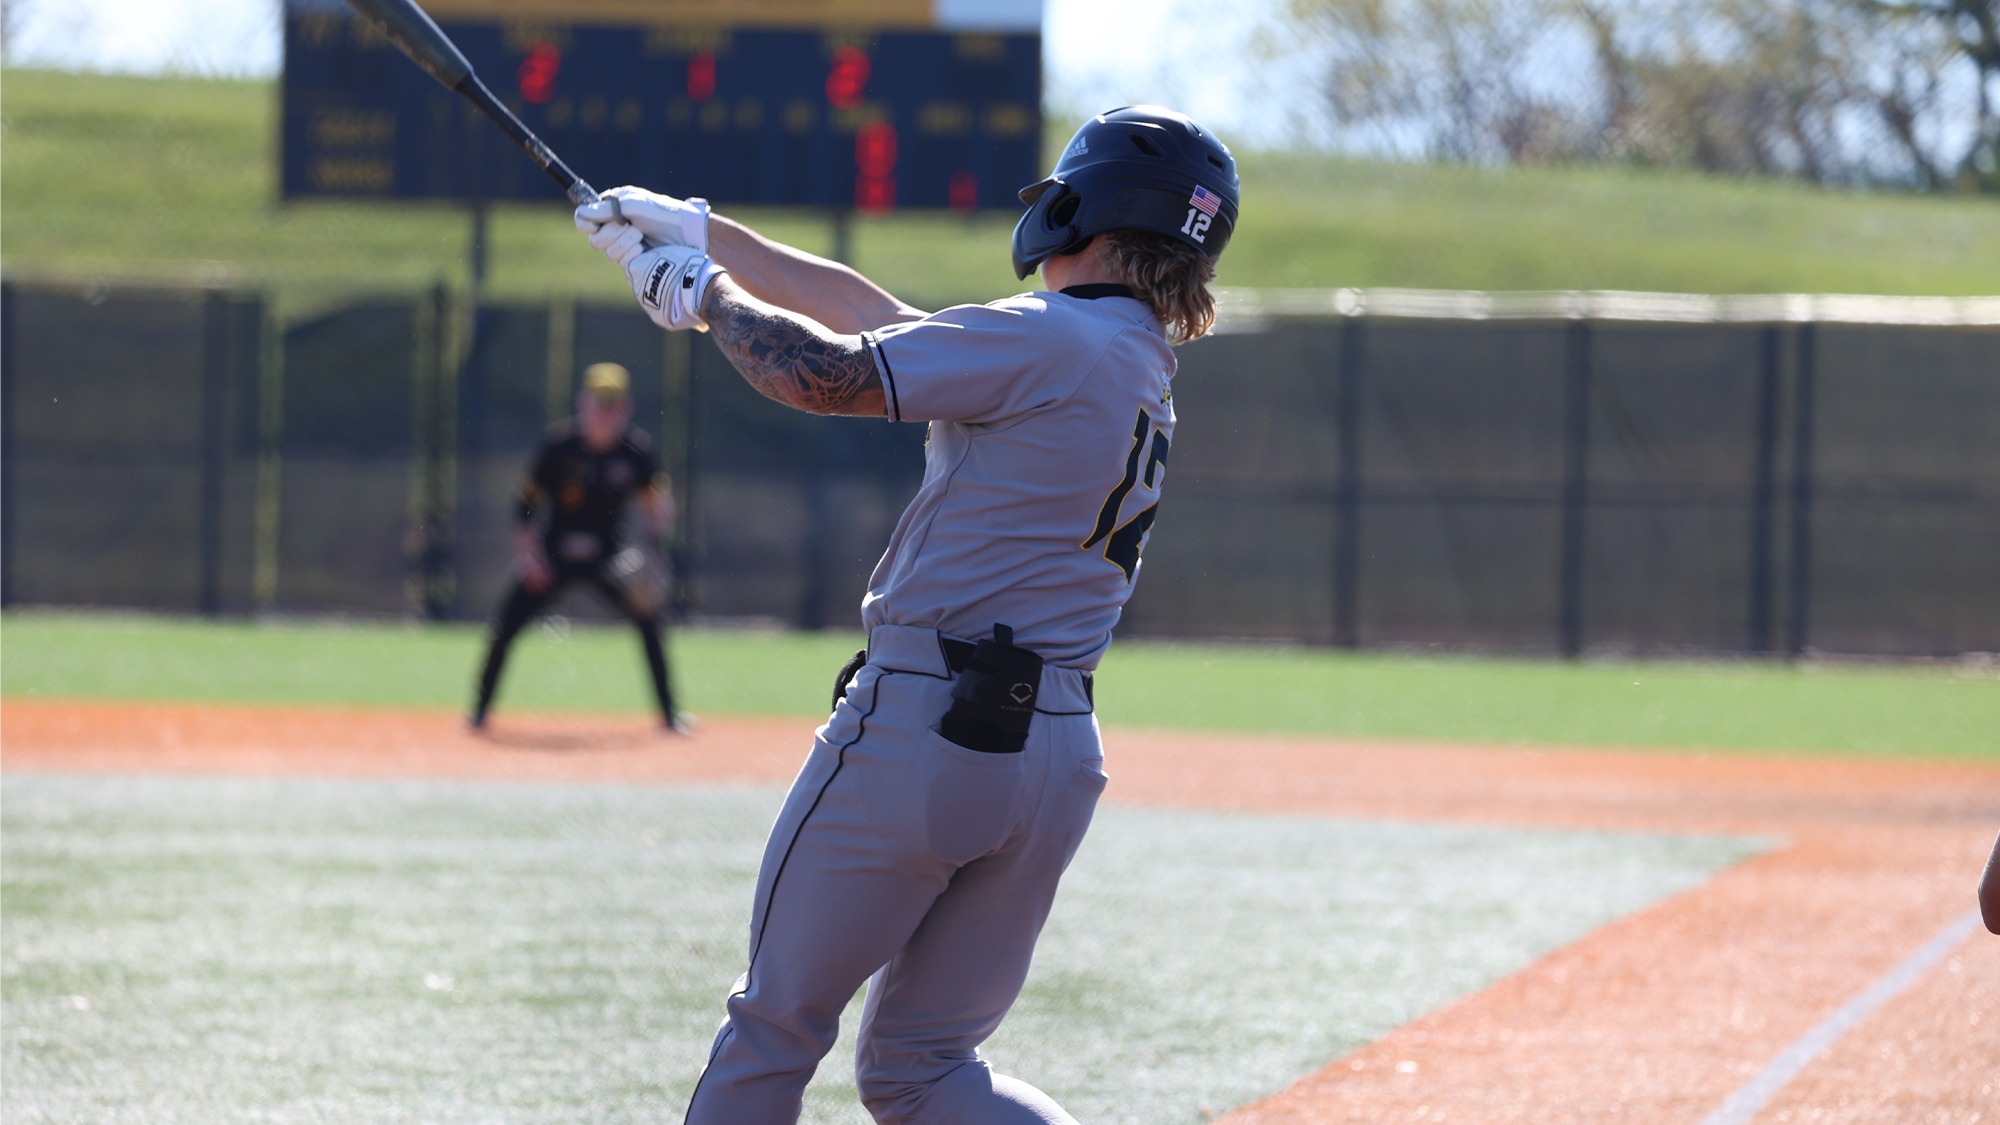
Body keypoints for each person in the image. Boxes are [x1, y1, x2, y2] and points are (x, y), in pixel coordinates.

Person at [574, 105, 1240, 1122]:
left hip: (923, 730)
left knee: (772, 1029)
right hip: (1053, 754)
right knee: (922, 1071)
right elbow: (870, 318)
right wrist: (708, 236)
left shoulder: (1054, 338)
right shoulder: (1125, 358)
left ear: (1087, 211)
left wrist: (706, 298)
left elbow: (827, 371)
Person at [467, 362, 686, 733]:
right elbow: (524, 507)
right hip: (553, 555)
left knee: (648, 618)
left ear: (625, 408)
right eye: (598, 403)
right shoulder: (558, 447)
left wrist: (655, 549)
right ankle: (479, 712)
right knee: (505, 625)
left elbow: (656, 506)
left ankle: (669, 716)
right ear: (582, 403)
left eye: (612, 404)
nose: (604, 412)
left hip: (609, 558)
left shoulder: (635, 451)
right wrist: (529, 558)